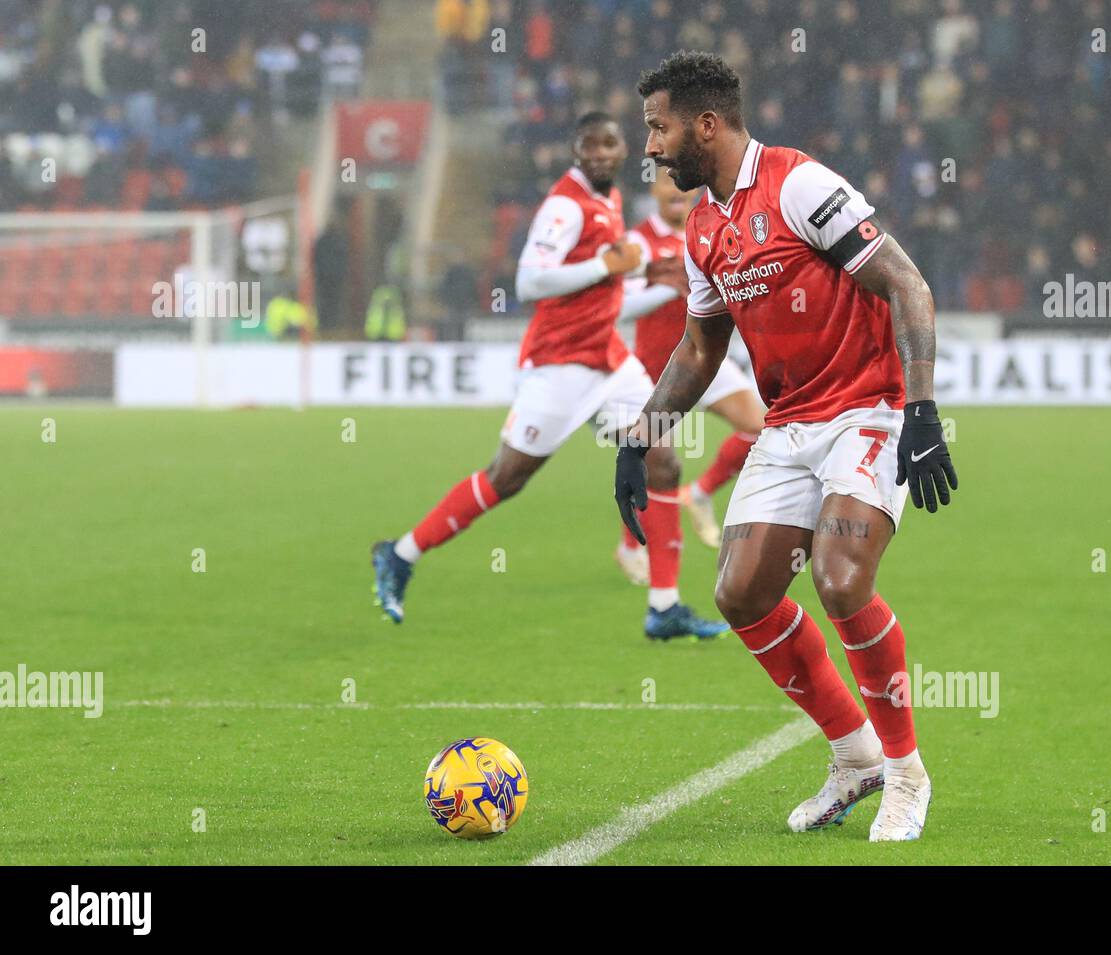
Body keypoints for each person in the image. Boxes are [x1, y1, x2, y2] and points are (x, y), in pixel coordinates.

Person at [615, 52, 958, 841]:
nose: (652, 148)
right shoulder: (705, 226)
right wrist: (640, 437)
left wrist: (922, 409)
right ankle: (855, 758)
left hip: (868, 410)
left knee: (840, 578)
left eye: (658, 128)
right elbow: (701, 350)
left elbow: (908, 284)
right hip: (791, 421)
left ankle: (907, 773)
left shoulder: (799, 185)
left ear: (707, 124)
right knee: (740, 593)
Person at [372, 111, 726, 641]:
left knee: (663, 461)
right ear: (576, 151)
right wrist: (609, 266)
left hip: (607, 359)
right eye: (591, 146)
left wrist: (644, 270)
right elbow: (531, 280)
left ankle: (664, 606)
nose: (602, 154)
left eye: (611, 144)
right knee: (507, 477)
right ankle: (400, 554)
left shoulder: (608, 198)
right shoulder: (565, 204)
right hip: (560, 363)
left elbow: (603, 266)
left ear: (623, 150)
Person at [613, 171, 766, 587]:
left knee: (761, 428)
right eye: (666, 185)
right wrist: (667, 289)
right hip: (658, 369)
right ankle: (630, 546)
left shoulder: (710, 228)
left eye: (683, 187)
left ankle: (700, 493)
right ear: (653, 190)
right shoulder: (637, 242)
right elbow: (618, 309)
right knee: (650, 459)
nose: (676, 193)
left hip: (707, 357)